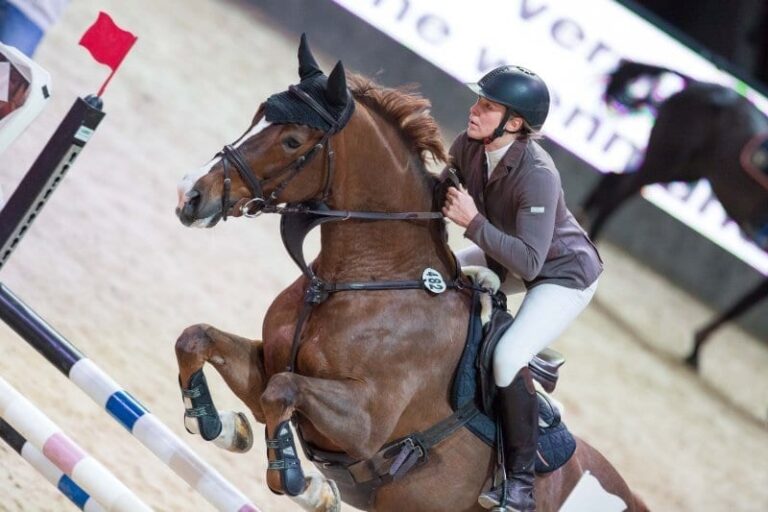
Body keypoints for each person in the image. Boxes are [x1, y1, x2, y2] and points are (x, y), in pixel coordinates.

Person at [441, 65, 603, 512]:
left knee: (507, 357)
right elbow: (440, 197)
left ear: (514, 123)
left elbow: (530, 261)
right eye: (478, 101)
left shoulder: (538, 173)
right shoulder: (468, 146)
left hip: (561, 274)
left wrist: (472, 222)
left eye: (487, 106)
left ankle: (521, 486)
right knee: (442, 274)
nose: (474, 110)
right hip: (506, 253)